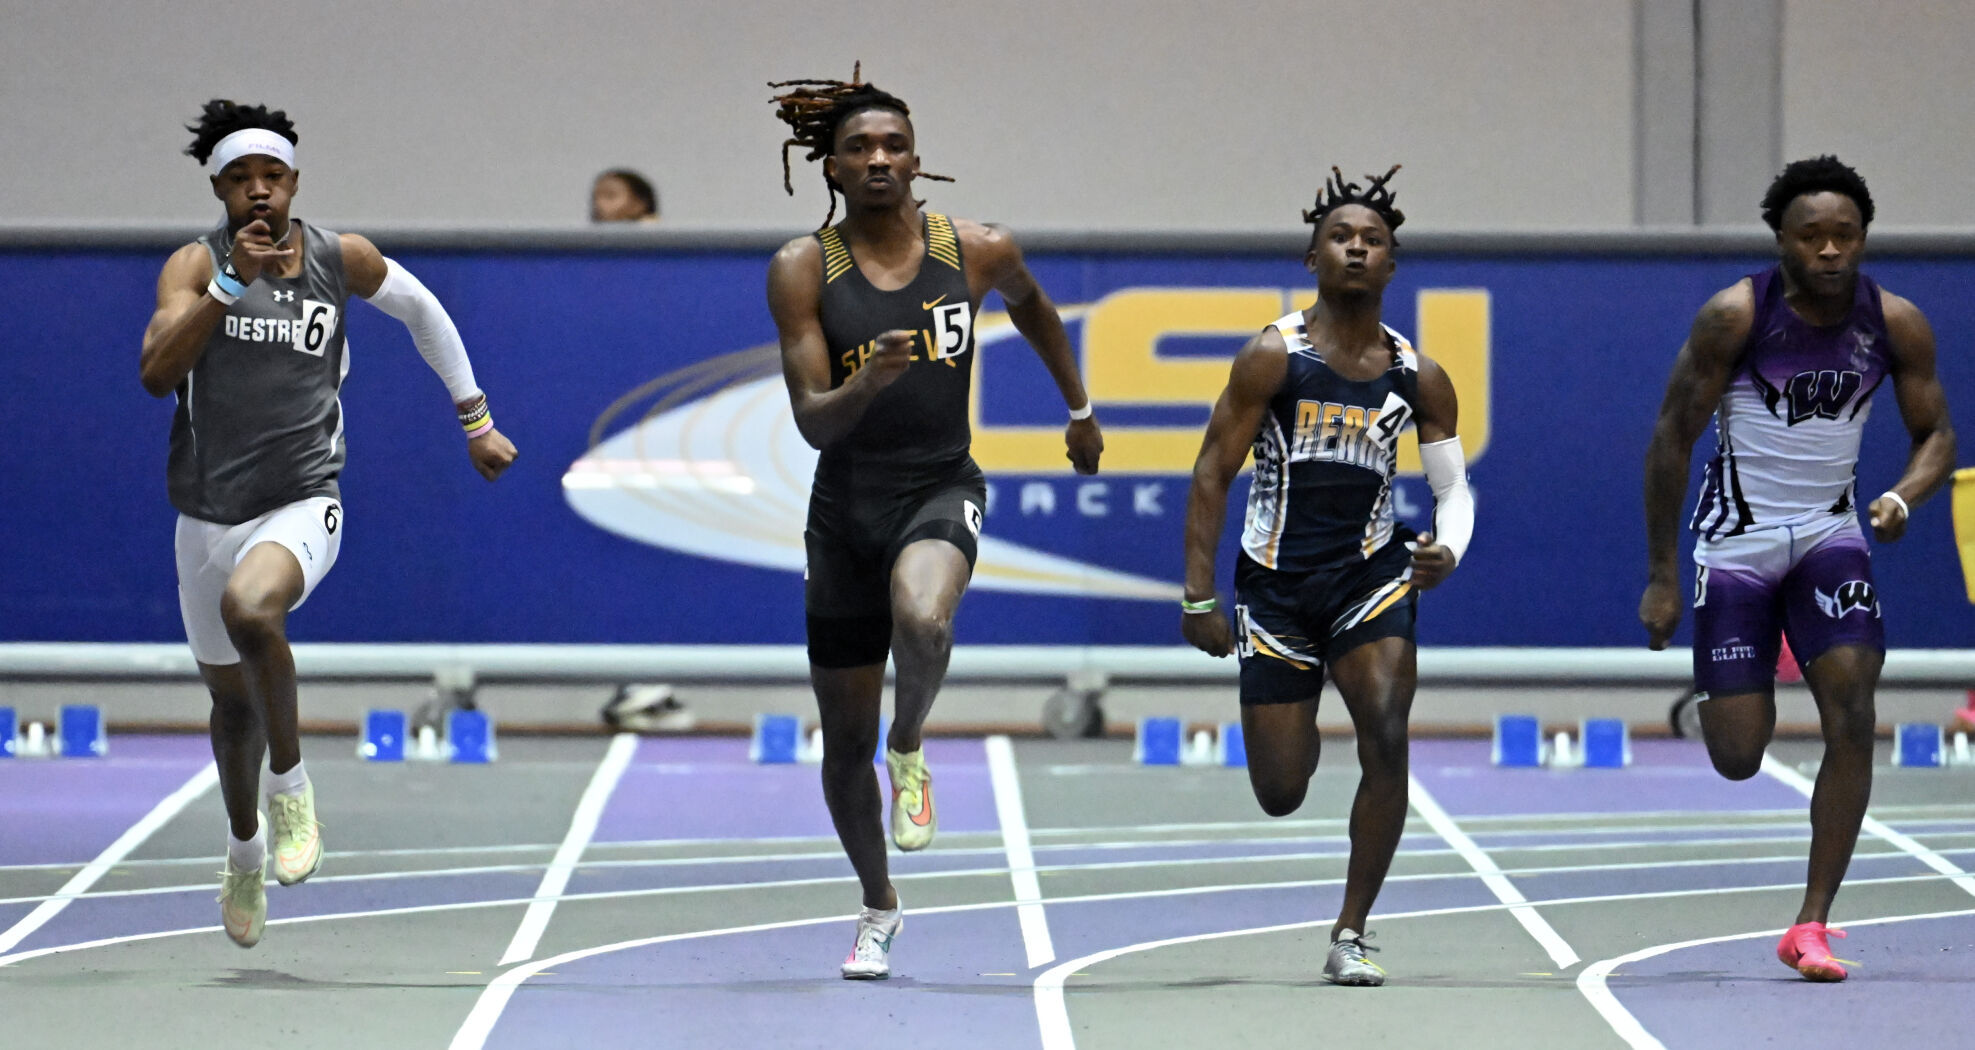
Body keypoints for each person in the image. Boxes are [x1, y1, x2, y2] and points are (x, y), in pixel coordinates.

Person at [139, 100, 519, 948]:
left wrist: (475, 419)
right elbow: (156, 373)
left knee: (253, 610)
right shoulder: (193, 266)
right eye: (241, 179)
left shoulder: (339, 259)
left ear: (295, 182)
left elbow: (425, 312)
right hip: (204, 515)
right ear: (219, 189)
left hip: (304, 497)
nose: (259, 192)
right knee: (229, 706)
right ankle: (242, 853)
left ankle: (293, 788)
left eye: (272, 176)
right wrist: (228, 286)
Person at [764, 67, 1102, 979]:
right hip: (843, 510)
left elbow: (1035, 309)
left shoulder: (977, 250)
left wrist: (1077, 408)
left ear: (917, 160)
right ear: (830, 169)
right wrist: (865, 380)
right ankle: (877, 906)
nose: (878, 160)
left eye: (893, 147)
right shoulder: (803, 267)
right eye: (859, 149)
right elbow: (811, 421)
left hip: (938, 484)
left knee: (923, 616)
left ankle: (909, 743)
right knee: (842, 750)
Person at [1640, 155, 1956, 982]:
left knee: (1852, 708)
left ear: (1862, 239)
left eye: (1842, 236)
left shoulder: (1895, 324)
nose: (1827, 251)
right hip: (1736, 548)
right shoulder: (1734, 315)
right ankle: (1740, 677)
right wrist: (1662, 575)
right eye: (1809, 235)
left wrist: (1900, 498)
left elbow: (1937, 436)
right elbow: (1671, 438)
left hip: (1828, 537)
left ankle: (1810, 923)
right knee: (1738, 755)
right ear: (1780, 238)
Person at [1181, 167, 1472, 987]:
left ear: (1390, 264)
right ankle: (1295, 708)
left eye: (1371, 240)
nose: (1355, 247)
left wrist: (1446, 550)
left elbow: (1451, 491)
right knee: (1280, 789)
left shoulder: (1419, 375)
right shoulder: (1273, 357)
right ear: (1313, 256)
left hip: (1370, 581)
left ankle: (1352, 930)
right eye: (1340, 237)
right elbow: (1211, 473)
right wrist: (1199, 595)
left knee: (1385, 732)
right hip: (1274, 588)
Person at [590, 168, 659, 223]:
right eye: (595, 198)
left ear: (638, 204)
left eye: (610, 196)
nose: (599, 203)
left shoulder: (659, 237)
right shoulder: (587, 239)